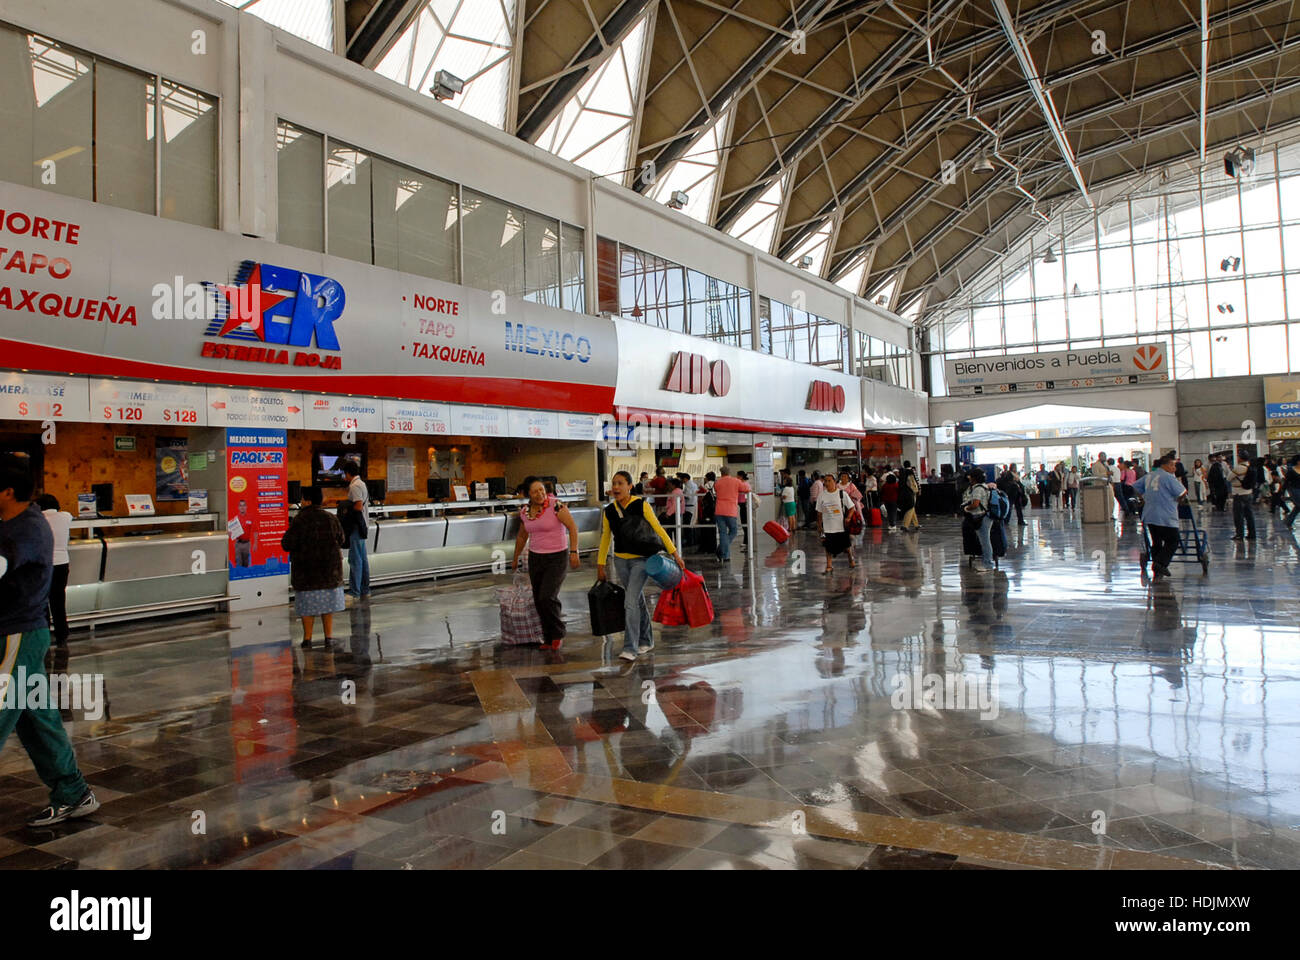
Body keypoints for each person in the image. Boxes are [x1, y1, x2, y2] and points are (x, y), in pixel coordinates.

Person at [0, 457, 99, 826]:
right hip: (17, 634)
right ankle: (72, 793)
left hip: (17, 635)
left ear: (8, 491)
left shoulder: (26, 528)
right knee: (35, 719)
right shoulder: (9, 523)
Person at [596, 471, 683, 662]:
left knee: (630, 601)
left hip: (642, 560)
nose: (616, 487)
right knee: (636, 599)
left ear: (630, 485)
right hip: (620, 560)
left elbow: (658, 528)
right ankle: (647, 639)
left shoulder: (641, 505)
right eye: (614, 483)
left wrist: (674, 553)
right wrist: (600, 564)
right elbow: (605, 537)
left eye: (620, 483)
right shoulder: (609, 510)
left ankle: (630, 647)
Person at [513, 476, 582, 650]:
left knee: (547, 596)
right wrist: (515, 557)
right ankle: (548, 637)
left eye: (542, 490)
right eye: (535, 491)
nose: (540, 494)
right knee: (538, 599)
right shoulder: (525, 512)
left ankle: (558, 633)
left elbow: (573, 527)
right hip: (536, 557)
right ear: (528, 494)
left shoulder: (556, 505)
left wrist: (574, 551)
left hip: (557, 556)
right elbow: (522, 536)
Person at [280, 486, 347, 648]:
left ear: (308, 501)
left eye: (303, 499)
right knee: (327, 606)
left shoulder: (300, 520)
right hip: (329, 572)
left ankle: (307, 638)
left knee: (307, 607)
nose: (301, 502)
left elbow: (287, 544)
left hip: (306, 573)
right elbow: (342, 539)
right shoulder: (331, 518)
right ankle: (328, 636)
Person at [1133, 455, 1186, 579]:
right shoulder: (1168, 478)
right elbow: (1182, 492)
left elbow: (1136, 487)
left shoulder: (1150, 475)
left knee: (1156, 542)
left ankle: (1157, 568)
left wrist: (1143, 498)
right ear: (1165, 465)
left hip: (1150, 514)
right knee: (1173, 541)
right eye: (1172, 465)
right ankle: (1160, 564)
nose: (1174, 468)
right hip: (1166, 514)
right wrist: (1178, 500)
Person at [35, 494, 72, 648]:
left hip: (44, 564)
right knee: (58, 600)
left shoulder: (37, 520)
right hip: (62, 563)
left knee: (42, 602)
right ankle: (62, 634)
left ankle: (44, 634)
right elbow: (70, 515)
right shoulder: (65, 517)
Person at [815, 474, 856, 572]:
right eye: (825, 481)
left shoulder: (842, 494)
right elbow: (819, 512)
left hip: (840, 525)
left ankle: (851, 559)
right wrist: (819, 525)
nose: (827, 483)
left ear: (835, 482)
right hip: (828, 526)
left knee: (846, 546)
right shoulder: (822, 495)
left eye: (829, 481)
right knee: (828, 546)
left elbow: (852, 507)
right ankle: (829, 565)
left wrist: (849, 518)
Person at [342, 461, 370, 599]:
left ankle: (355, 591)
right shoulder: (362, 484)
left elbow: (358, 506)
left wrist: (347, 512)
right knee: (362, 559)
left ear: (348, 473)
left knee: (355, 559)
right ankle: (365, 589)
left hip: (356, 527)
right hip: (362, 525)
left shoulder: (354, 486)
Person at [712, 466, 751, 562]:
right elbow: (747, 488)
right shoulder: (735, 481)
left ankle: (725, 556)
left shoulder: (717, 482)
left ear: (721, 473)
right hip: (730, 510)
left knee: (722, 533)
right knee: (733, 531)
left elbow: (716, 490)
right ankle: (721, 549)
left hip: (719, 510)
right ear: (729, 472)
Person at [961, 467, 994, 572]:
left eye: (971, 476)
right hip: (985, 516)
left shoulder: (977, 489)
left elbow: (975, 504)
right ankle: (987, 563)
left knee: (985, 541)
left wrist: (966, 508)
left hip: (981, 517)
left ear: (974, 478)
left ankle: (987, 564)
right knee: (985, 540)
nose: (969, 478)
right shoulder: (984, 486)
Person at [1229, 460, 1257, 541]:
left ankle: (1239, 534)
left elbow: (1228, 478)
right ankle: (1252, 534)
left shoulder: (1238, 468)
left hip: (1239, 493)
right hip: (1248, 493)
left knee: (1238, 515)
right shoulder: (1250, 468)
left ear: (1240, 458)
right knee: (1249, 515)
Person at [233, 498, 255, 567]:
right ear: (238, 507)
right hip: (238, 544)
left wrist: (255, 543)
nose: (242, 507)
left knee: (246, 563)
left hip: (247, 544)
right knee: (238, 563)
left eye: (244, 505)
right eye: (240, 505)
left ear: (246, 507)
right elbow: (231, 532)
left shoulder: (250, 517)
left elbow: (255, 530)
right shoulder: (235, 519)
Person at [899, 462, 920, 531]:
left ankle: (916, 524)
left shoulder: (902, 472)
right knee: (911, 508)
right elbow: (914, 482)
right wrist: (918, 489)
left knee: (912, 507)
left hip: (903, 492)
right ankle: (905, 525)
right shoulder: (911, 472)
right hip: (911, 492)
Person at [1283, 455, 1300, 529]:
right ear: (1298, 462)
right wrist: (1282, 492)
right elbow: (1286, 482)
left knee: (1298, 507)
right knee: (1299, 505)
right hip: (1294, 490)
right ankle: (1288, 522)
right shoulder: (1291, 471)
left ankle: (1288, 522)